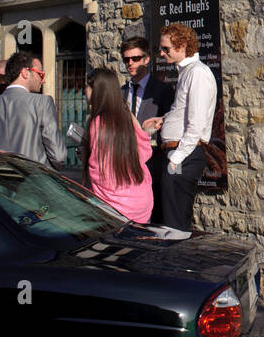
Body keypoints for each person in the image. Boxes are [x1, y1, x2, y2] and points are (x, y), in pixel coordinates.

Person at [143, 24, 216, 238]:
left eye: (166, 48)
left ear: (182, 46)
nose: (162, 53)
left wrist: (176, 157)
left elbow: (196, 124)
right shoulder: (186, 72)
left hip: (184, 154)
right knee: (170, 218)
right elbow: (183, 111)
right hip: (178, 154)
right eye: (161, 48)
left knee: (176, 224)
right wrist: (164, 119)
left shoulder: (198, 73)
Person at [84, 67, 158, 222]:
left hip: (115, 207)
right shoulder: (127, 115)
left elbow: (97, 170)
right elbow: (145, 152)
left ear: (96, 90)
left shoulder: (97, 122)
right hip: (141, 203)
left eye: (87, 86)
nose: (84, 91)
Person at [0, 52, 66, 167]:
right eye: (40, 74)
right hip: (34, 180)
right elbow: (58, 155)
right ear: (25, 72)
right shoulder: (42, 103)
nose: (43, 80)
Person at [120, 35, 176, 221]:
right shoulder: (121, 92)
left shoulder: (162, 90)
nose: (130, 63)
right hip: (125, 173)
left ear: (146, 59)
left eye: (135, 58)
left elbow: (170, 130)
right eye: (126, 59)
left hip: (152, 169)